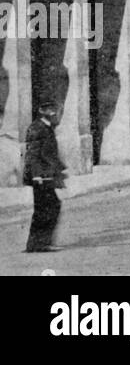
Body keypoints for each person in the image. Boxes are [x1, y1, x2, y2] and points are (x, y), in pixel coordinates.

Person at [24, 101, 66, 253]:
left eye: (54, 109)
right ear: (43, 112)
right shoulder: (37, 128)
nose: (54, 113)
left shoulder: (46, 127)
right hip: (41, 176)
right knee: (48, 207)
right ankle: (40, 244)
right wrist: (36, 176)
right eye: (50, 110)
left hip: (46, 174)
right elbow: (33, 154)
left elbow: (48, 152)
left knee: (46, 207)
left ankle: (36, 244)